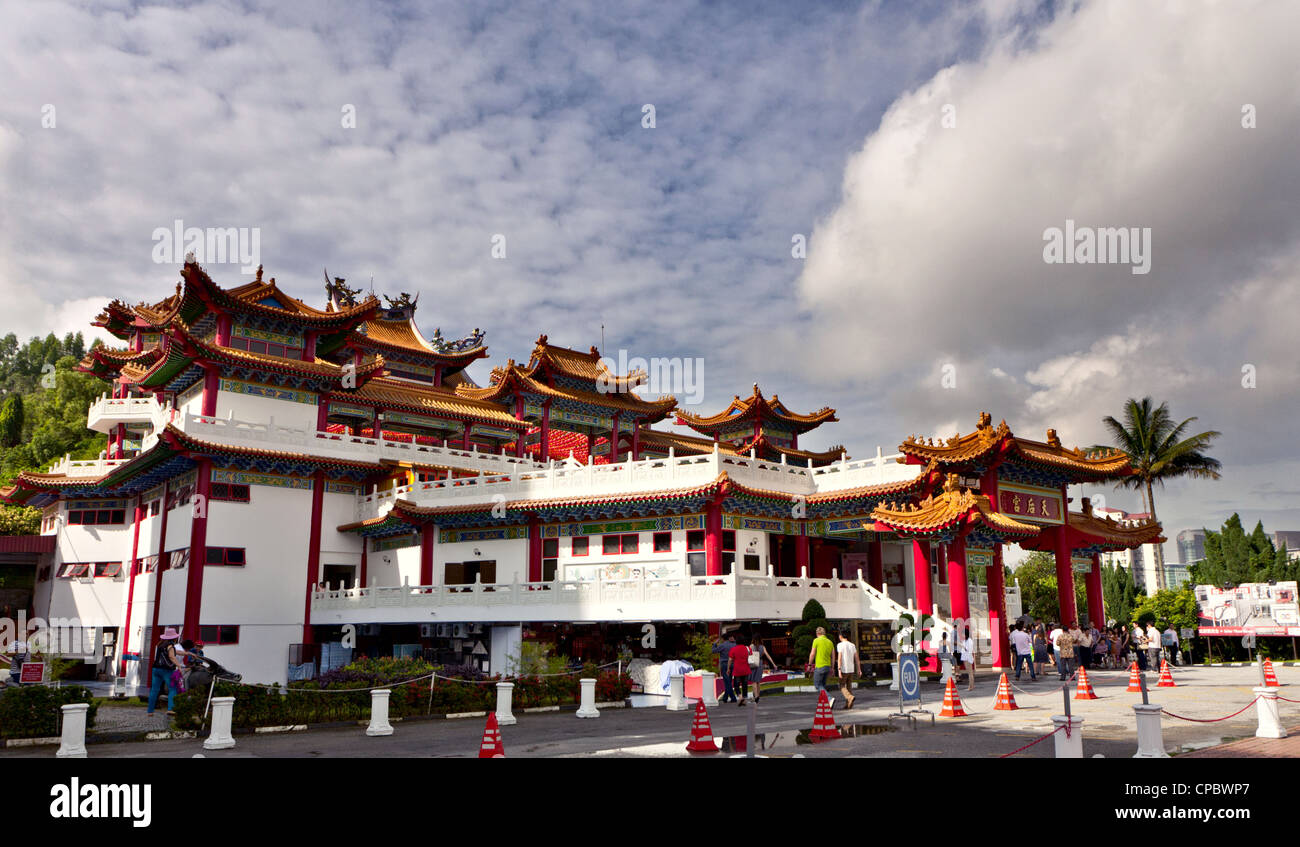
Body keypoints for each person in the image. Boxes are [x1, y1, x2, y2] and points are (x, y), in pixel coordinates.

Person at [147, 627, 185, 716]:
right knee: (173, 689)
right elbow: (172, 656)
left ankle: (150, 711)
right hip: (167, 670)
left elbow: (176, 652)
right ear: (174, 638)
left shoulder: (160, 644)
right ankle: (171, 709)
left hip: (156, 669)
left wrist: (187, 653)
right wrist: (179, 666)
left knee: (154, 690)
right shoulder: (170, 645)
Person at [836, 631, 861, 709]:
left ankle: (850, 697)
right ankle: (849, 704)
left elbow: (839, 658)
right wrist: (859, 669)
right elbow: (857, 658)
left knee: (841, 686)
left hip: (844, 668)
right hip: (851, 669)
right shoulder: (852, 645)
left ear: (840, 636)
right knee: (849, 686)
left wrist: (839, 669)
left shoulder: (840, 645)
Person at [748, 635, 776, 702]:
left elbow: (748, 654)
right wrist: (773, 664)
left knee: (753, 681)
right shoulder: (763, 647)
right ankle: (758, 696)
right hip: (760, 663)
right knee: (758, 681)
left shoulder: (751, 646)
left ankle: (756, 697)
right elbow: (768, 656)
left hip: (753, 663)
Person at [808, 626, 835, 694]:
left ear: (817, 633)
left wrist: (809, 664)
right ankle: (824, 702)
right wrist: (832, 668)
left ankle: (829, 698)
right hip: (828, 667)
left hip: (820, 666)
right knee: (822, 685)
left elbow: (812, 654)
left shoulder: (816, 640)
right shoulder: (830, 642)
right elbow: (833, 656)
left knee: (817, 685)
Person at [712, 631, 737, 703]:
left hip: (724, 664)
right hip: (733, 664)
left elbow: (713, 651)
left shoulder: (722, 645)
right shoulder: (734, 644)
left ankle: (733, 697)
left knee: (727, 682)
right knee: (728, 681)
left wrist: (714, 643)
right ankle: (725, 698)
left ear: (723, 639)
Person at [728, 634, 752, 706]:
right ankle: (744, 699)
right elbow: (751, 657)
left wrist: (728, 668)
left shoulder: (733, 649)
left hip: (737, 670)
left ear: (736, 641)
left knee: (736, 685)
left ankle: (740, 697)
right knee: (745, 685)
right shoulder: (748, 648)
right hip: (746, 669)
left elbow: (730, 660)